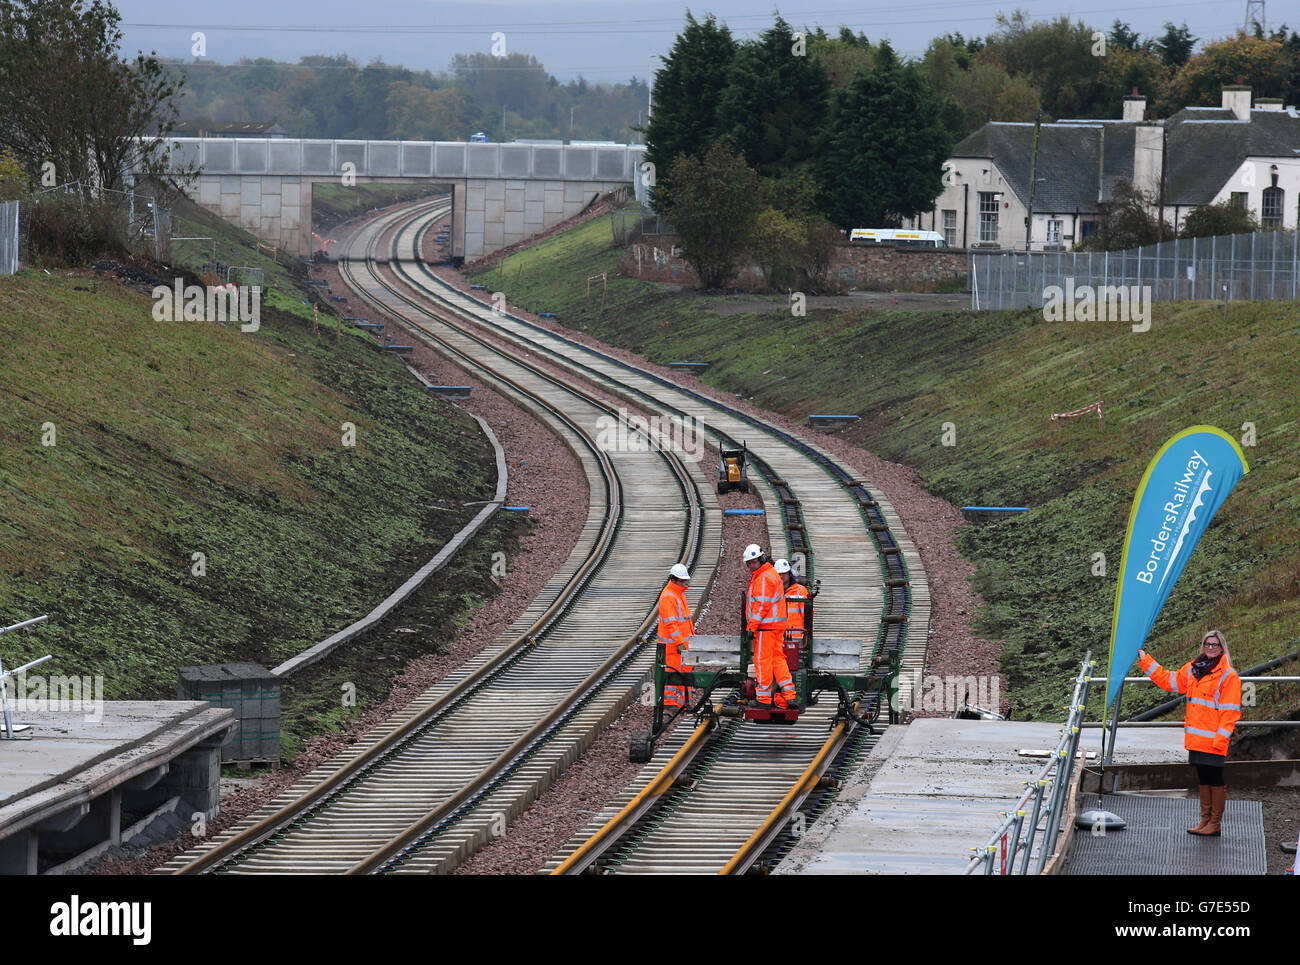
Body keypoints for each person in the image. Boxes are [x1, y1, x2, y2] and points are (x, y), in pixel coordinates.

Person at [1137, 630, 1241, 836]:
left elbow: (1230, 712)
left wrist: (1220, 740)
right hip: (1197, 740)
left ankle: (1215, 823)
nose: (1211, 648)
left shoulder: (1228, 676)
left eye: (1215, 645)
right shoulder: (1194, 669)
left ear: (1222, 648)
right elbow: (1169, 680)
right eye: (1207, 644)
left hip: (1213, 741)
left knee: (1215, 779)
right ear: (1203, 646)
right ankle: (1205, 821)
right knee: (1203, 778)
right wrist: (1146, 661)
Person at [744, 544, 798, 711]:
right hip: (776, 627)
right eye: (749, 563)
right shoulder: (770, 574)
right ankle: (790, 696)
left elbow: (761, 605)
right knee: (778, 660)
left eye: (753, 562)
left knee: (762, 662)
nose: (751, 566)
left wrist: (752, 627)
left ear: (761, 559)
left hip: (765, 628)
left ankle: (764, 699)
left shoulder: (764, 577)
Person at [657, 563, 695, 709]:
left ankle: (684, 705)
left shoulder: (678, 594)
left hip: (682, 646)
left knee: (685, 674)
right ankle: (669, 705)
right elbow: (671, 624)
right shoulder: (669, 596)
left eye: (685, 580)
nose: (684, 583)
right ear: (673, 579)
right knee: (673, 677)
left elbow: (685, 621)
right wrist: (680, 642)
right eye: (682, 580)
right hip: (673, 647)